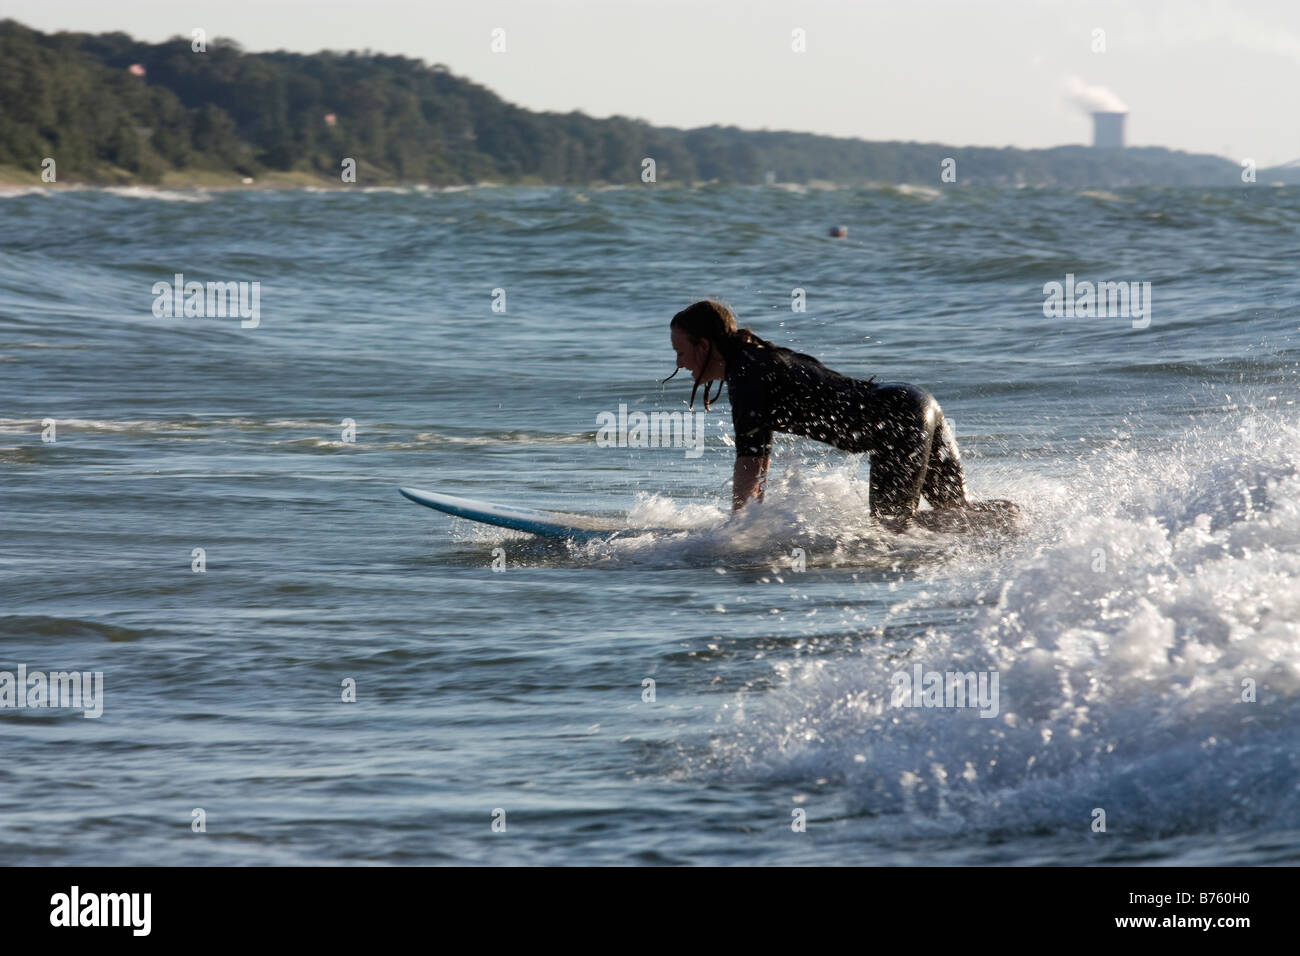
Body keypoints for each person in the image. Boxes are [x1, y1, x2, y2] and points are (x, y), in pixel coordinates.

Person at [664, 299, 1018, 532]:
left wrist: (738, 532)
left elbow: (751, 460)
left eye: (680, 351)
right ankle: (1017, 523)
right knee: (959, 513)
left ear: (704, 345)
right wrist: (748, 521)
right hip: (914, 402)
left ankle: (1015, 528)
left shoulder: (747, 375)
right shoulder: (757, 360)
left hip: (897, 419)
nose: (679, 363)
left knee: (892, 527)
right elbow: (758, 462)